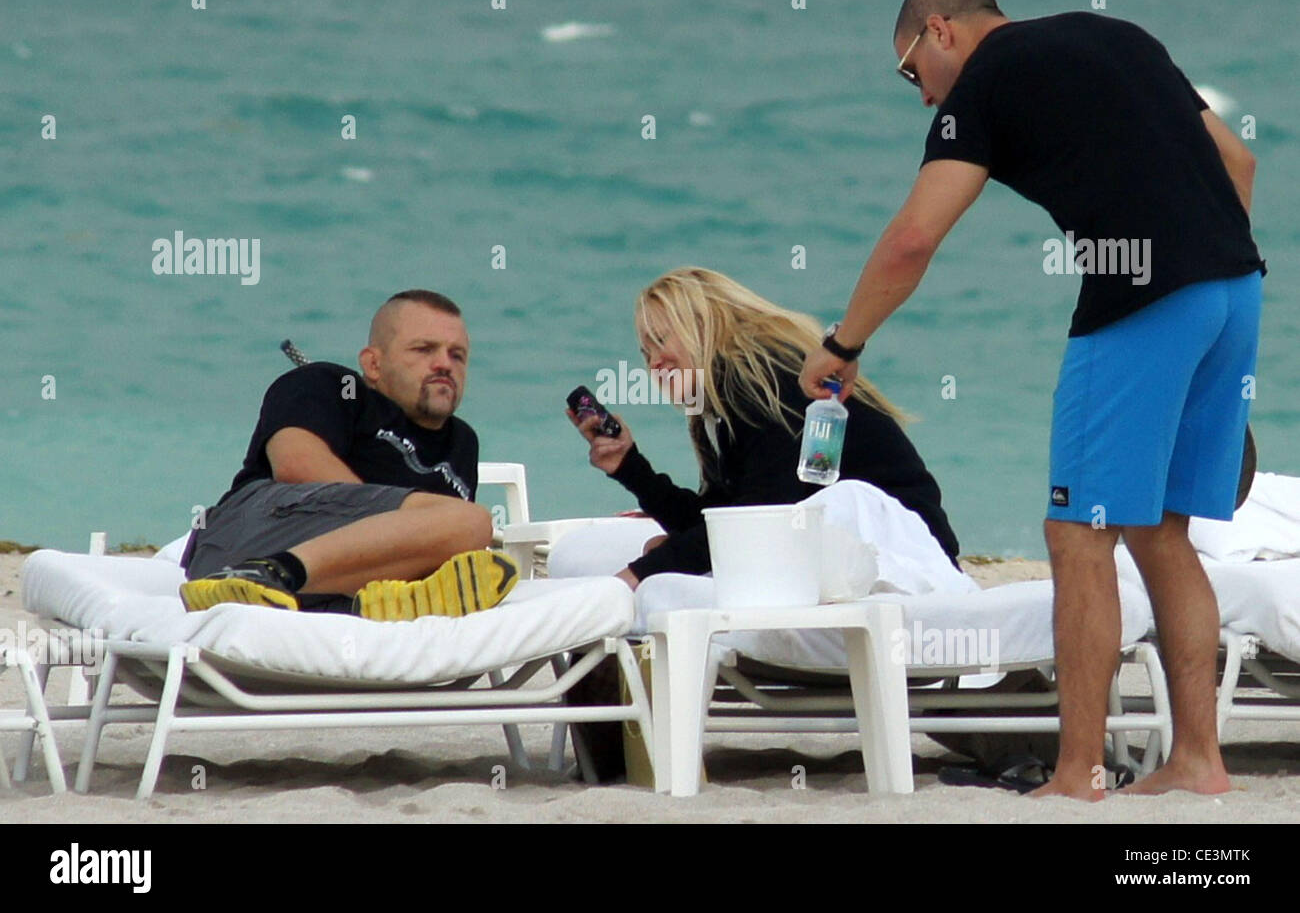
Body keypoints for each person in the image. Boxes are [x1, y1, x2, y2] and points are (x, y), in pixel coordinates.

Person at [798, 0, 1263, 800]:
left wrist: (844, 344)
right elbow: (1238, 159)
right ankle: (1199, 763)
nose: (922, 97)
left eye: (911, 73)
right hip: (1234, 289)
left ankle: (1080, 775)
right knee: (1163, 531)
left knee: (1078, 537)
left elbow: (912, 239)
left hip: (1144, 303)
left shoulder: (985, 83)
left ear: (938, 30)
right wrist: (1207, 286)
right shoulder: (1119, 33)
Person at [569, 266, 966, 593]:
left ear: (705, 325)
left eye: (660, 340)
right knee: (660, 558)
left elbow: (754, 522)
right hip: (854, 550)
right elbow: (724, 520)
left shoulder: (768, 382)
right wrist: (630, 467)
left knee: (656, 573)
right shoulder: (738, 398)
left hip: (901, 556)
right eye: (645, 352)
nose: (654, 362)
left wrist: (637, 576)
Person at [180, 289, 517, 619]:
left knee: (465, 539)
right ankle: (269, 572)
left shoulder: (462, 443)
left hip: (334, 585)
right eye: (424, 349)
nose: (444, 364)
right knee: (470, 522)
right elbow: (296, 463)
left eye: (457, 355)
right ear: (373, 363)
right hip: (253, 535)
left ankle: (369, 605)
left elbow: (436, 541)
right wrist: (395, 530)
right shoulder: (330, 384)